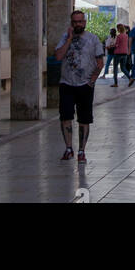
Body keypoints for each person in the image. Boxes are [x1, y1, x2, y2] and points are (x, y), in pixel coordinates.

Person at [54, 9, 104, 161]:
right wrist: (69, 40)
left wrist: (91, 81)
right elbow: (58, 56)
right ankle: (69, 148)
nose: (78, 24)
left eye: (80, 21)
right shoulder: (65, 38)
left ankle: (82, 150)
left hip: (85, 85)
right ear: (71, 23)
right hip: (67, 83)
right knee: (65, 117)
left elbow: (100, 63)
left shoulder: (93, 39)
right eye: (75, 22)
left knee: (84, 119)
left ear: (85, 22)